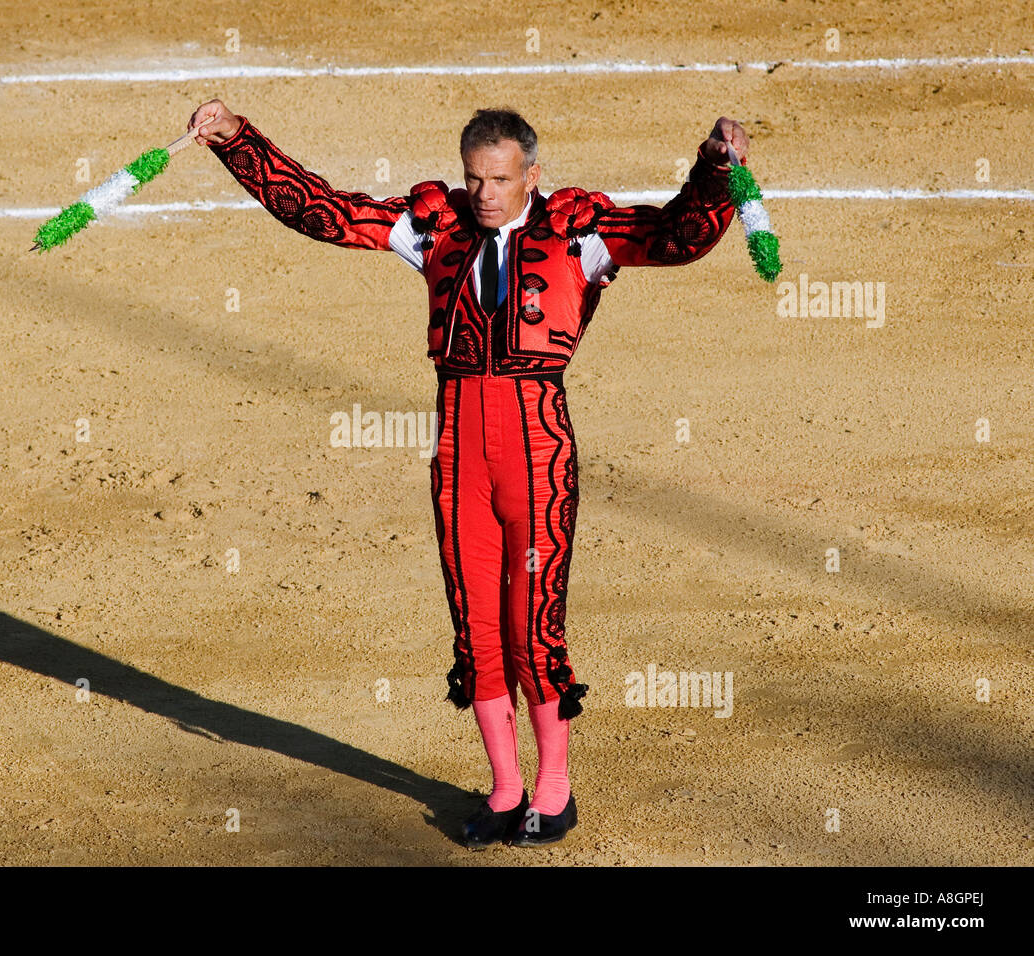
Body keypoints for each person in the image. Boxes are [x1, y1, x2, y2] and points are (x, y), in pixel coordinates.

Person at [187, 98, 747, 848]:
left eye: (499, 179)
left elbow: (679, 237)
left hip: (537, 452)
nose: (484, 194)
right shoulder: (435, 227)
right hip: (459, 453)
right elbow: (324, 212)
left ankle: (555, 787)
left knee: (530, 626)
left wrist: (716, 170)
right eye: (474, 178)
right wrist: (237, 139)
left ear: (531, 176)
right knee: (477, 628)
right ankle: (506, 787)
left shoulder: (581, 232)